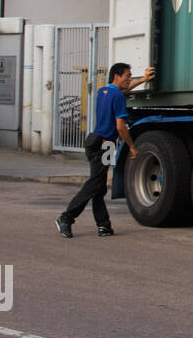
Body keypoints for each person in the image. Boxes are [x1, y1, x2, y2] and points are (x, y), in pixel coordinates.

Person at [56, 63, 155, 238]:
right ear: (117, 76)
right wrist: (132, 146)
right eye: (127, 75)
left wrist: (144, 80)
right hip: (106, 145)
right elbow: (120, 127)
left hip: (94, 141)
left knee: (99, 188)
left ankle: (104, 226)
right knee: (94, 184)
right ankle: (66, 218)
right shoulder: (117, 95)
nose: (130, 79)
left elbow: (123, 91)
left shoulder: (104, 92)